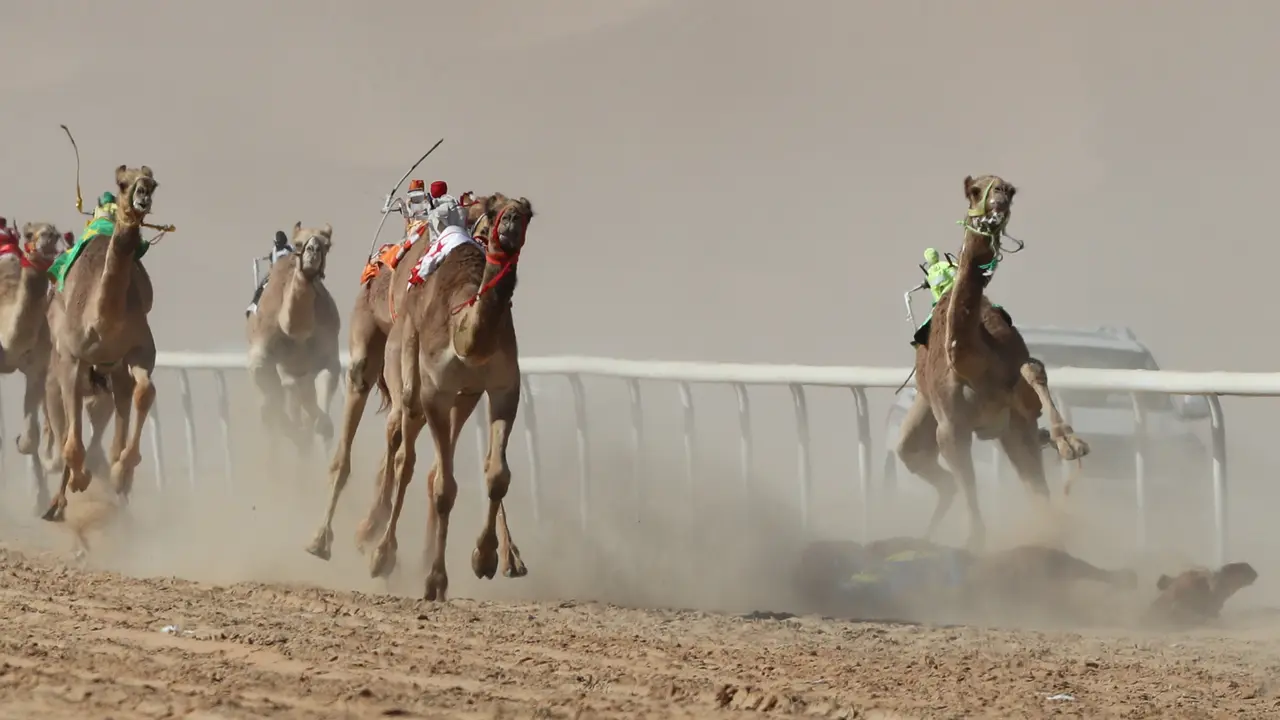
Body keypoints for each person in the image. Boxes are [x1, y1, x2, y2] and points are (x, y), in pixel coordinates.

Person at [245, 230, 294, 317]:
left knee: (261, 287)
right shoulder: (291, 248)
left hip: (278, 274)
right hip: (291, 272)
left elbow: (273, 263)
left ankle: (254, 305)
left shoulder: (274, 252)